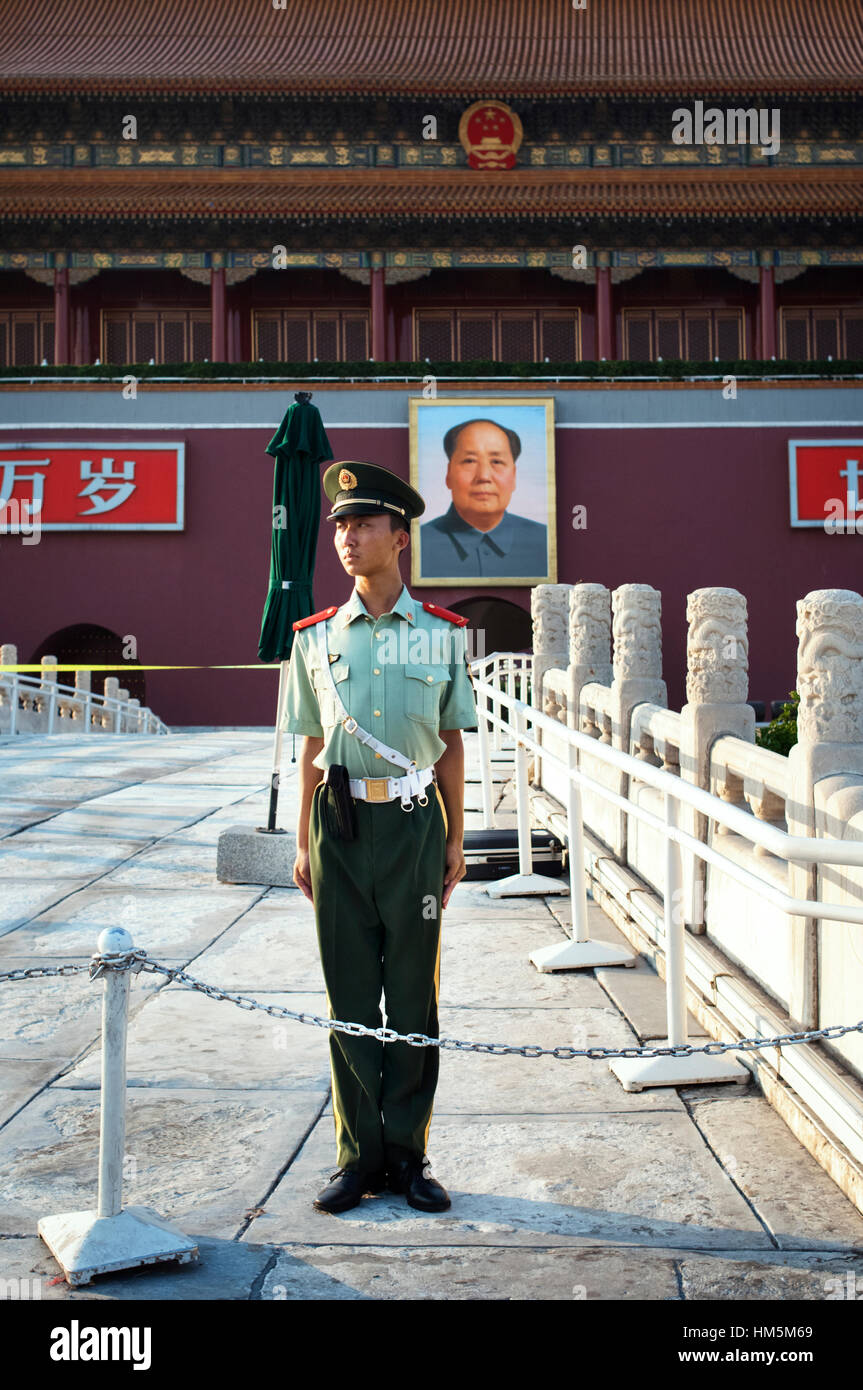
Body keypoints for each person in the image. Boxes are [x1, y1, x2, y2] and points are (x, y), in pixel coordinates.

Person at [282, 460, 477, 1215]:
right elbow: (307, 748)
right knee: (350, 992)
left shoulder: (439, 635)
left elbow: (452, 744)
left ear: (400, 537)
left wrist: (455, 838)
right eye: (339, 526)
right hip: (338, 825)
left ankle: (409, 1155)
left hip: (411, 827)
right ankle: (357, 1158)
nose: (346, 537)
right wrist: (303, 843)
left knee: (413, 998)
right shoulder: (313, 639)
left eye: (362, 525)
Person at [419, 417, 548, 578]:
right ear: (448, 474)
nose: (484, 476)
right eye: (469, 461)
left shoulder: (546, 541)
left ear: (514, 475)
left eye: (497, 461)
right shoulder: (418, 544)